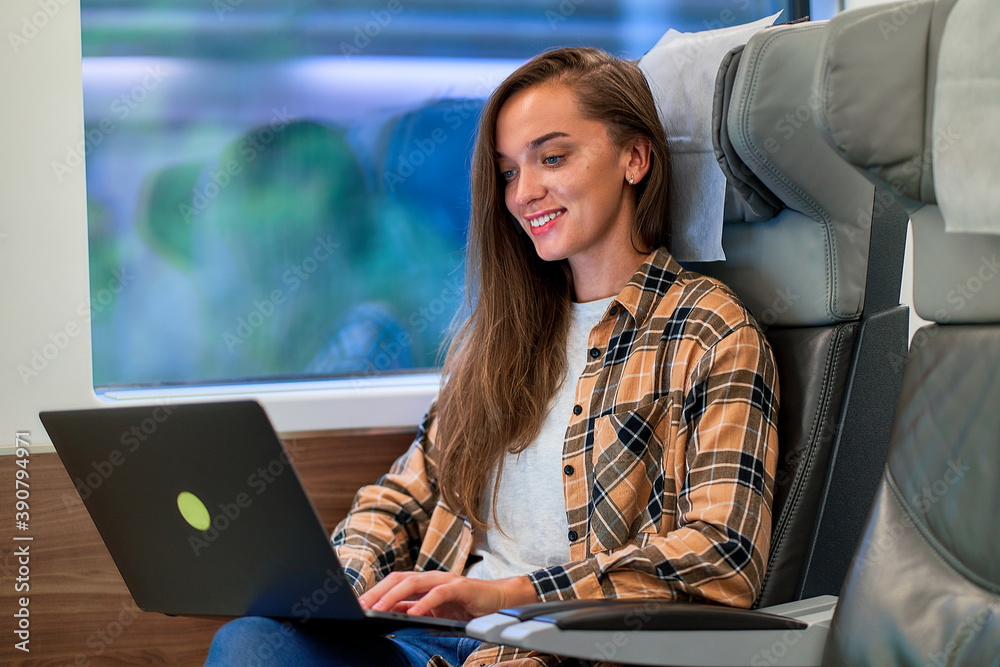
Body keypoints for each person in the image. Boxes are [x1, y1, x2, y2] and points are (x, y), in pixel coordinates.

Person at [206, 46, 779, 666]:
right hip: (430, 640)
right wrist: (346, 583)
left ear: (634, 159)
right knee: (251, 642)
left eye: (552, 158)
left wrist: (506, 595)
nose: (524, 193)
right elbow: (404, 495)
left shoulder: (709, 330)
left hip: (557, 647)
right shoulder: (503, 332)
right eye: (508, 171)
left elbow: (722, 557)